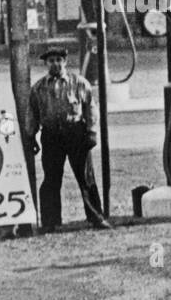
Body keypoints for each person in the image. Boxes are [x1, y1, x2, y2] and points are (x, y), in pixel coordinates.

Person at [29, 46, 111, 233]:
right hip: (50, 135)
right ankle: (50, 221)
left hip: (75, 132)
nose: (55, 64)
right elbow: (32, 113)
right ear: (46, 64)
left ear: (65, 62)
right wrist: (31, 135)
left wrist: (91, 132)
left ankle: (96, 217)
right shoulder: (39, 87)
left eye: (59, 60)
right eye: (51, 61)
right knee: (51, 178)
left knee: (85, 177)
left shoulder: (79, 83)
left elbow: (90, 108)